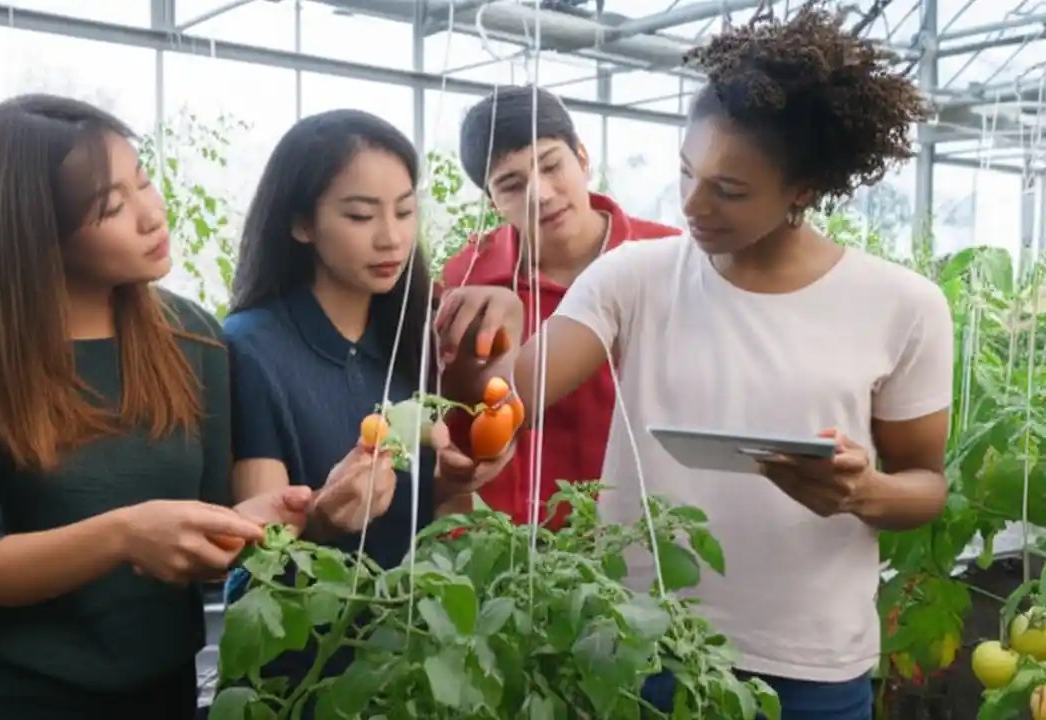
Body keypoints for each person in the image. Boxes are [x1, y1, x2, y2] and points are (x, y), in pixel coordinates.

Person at [500, 6, 949, 719]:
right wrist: (497, 342)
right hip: (640, 641)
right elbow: (514, 396)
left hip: (808, 664)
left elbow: (926, 483)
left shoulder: (903, 304)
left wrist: (861, 491)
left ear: (804, 188)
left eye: (729, 191)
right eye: (687, 172)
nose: (692, 204)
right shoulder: (633, 278)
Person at [0, 94, 308, 720]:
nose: (151, 214)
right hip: (5, 703)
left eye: (142, 181)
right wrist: (123, 535)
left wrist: (297, 515)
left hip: (160, 697)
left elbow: (203, 533)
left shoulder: (191, 336)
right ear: (35, 234)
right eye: (113, 206)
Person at [221, 108, 515, 706]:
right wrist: (325, 518)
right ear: (301, 223)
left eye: (405, 211)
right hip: (304, 679)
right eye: (360, 214)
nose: (391, 237)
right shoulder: (251, 348)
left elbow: (432, 514)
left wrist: (459, 481)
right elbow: (254, 568)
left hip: (412, 671)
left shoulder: (414, 339)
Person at [435, 83, 680, 530]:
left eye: (551, 166)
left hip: (646, 534)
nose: (541, 193)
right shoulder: (469, 280)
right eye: (511, 185)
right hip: (514, 543)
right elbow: (456, 416)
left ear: (583, 158)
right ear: (492, 201)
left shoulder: (668, 258)